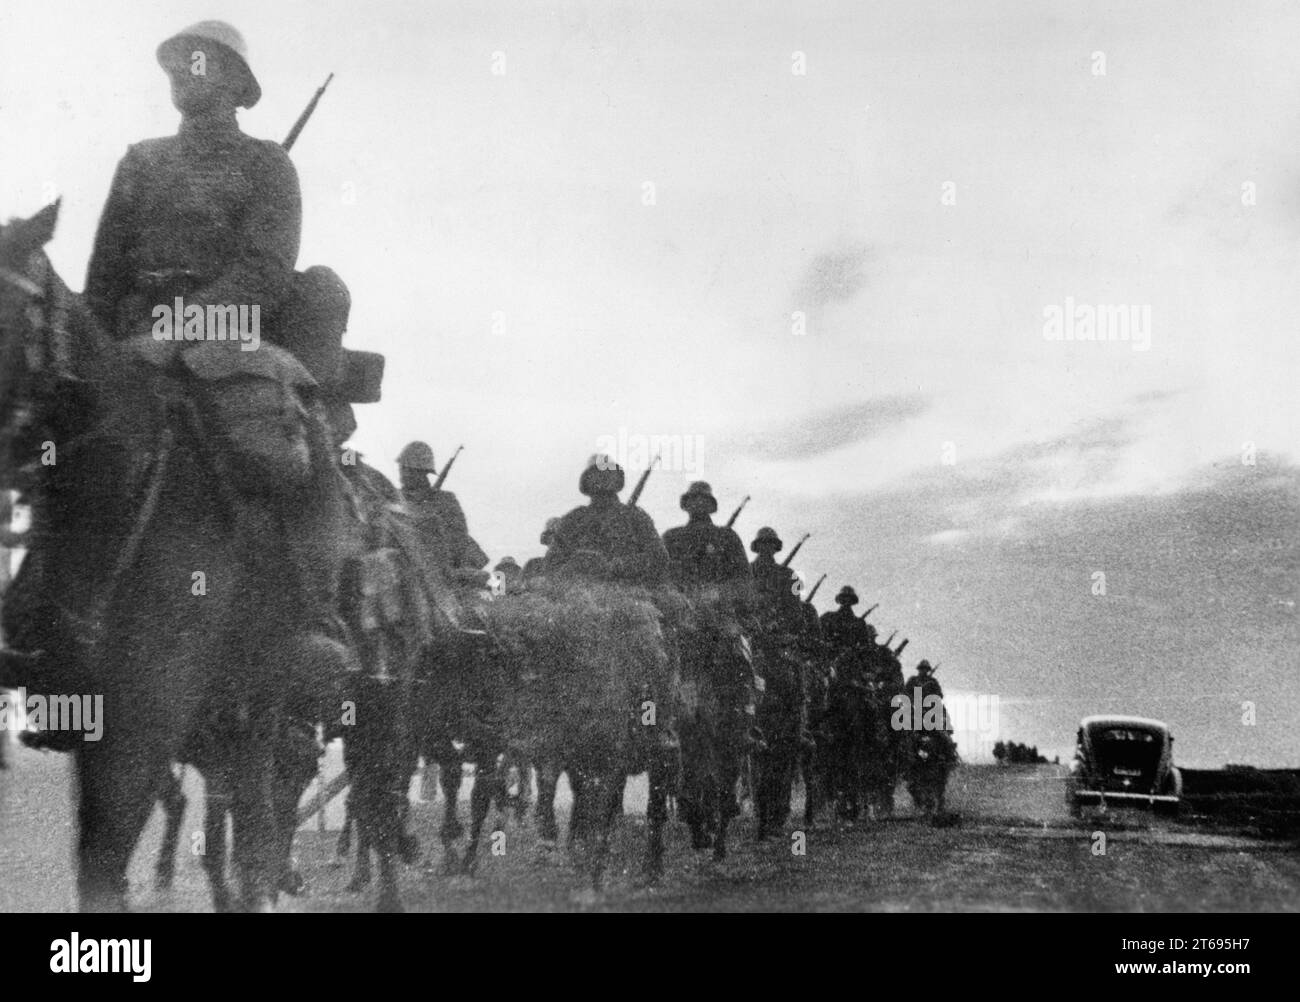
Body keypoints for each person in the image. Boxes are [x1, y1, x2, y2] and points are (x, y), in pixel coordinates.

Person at [85, 21, 301, 343]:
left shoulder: (267, 163)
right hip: (133, 333)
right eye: (174, 64)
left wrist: (176, 328)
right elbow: (104, 276)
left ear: (234, 78)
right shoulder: (141, 160)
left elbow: (263, 276)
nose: (179, 70)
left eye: (195, 60)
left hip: (222, 337)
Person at [662, 482, 765, 749]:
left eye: (703, 500)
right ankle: (653, 725)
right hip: (681, 617)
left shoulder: (728, 538)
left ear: (710, 505)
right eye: (693, 500)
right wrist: (675, 601)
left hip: (721, 618)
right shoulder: (671, 538)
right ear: (687, 505)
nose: (698, 505)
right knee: (654, 665)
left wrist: (731, 603)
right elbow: (660, 578)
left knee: (743, 662)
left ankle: (746, 724)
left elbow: (744, 580)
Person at [398, 441, 489, 590]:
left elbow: (459, 538)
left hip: (444, 566)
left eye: (407, 469)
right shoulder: (396, 497)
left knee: (487, 582)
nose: (402, 473)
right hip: (408, 565)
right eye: (402, 468)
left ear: (422, 472)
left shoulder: (446, 501)